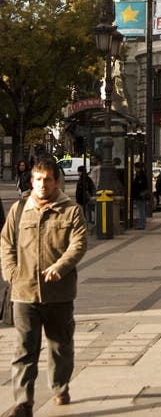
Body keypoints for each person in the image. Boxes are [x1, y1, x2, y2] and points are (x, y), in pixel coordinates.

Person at [0, 156, 87, 415]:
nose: (42, 185)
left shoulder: (71, 210)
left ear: (56, 181)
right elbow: (6, 243)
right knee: (24, 349)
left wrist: (60, 267)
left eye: (47, 179)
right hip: (24, 292)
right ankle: (23, 402)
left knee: (59, 346)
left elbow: (79, 244)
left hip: (58, 293)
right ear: (31, 180)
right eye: (38, 179)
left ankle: (60, 386)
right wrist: (11, 273)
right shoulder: (19, 209)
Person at [131, 162, 149, 230]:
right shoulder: (140, 175)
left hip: (140, 195)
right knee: (141, 210)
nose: (135, 169)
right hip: (140, 194)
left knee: (141, 210)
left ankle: (141, 224)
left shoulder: (141, 176)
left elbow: (139, 185)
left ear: (138, 168)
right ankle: (141, 224)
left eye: (135, 167)